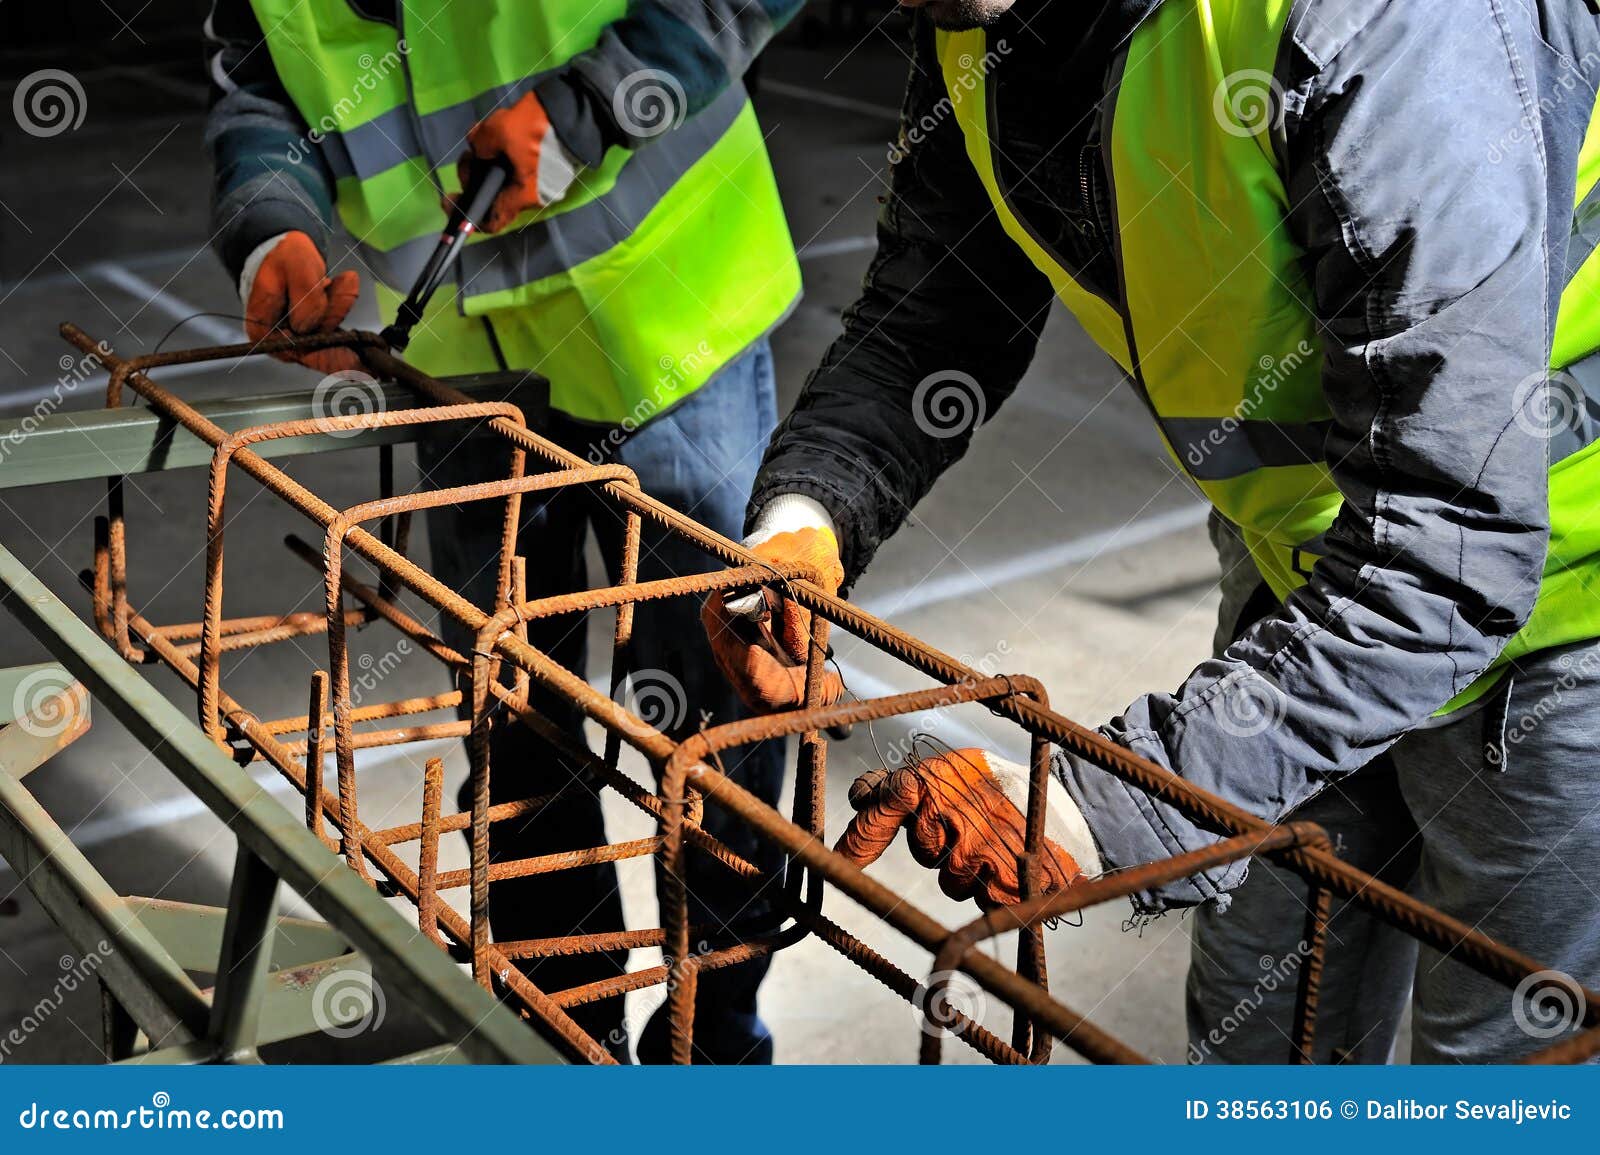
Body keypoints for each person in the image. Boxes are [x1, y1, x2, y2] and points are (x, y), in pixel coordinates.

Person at [704, 0, 1600, 1063]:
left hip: (1558, 609)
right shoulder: (972, 19)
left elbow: (1452, 542)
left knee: (1500, 1075)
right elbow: (935, 312)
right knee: (1258, 1048)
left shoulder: (1379, 23)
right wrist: (804, 522)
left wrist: (1091, 809)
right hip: (1310, 576)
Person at [204, 0, 805, 1064]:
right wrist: (272, 222)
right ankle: (567, 1038)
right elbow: (257, 85)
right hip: (453, 354)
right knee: (513, 712)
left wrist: (595, 104)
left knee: (713, 721)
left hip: (662, 318)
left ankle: (714, 1047)